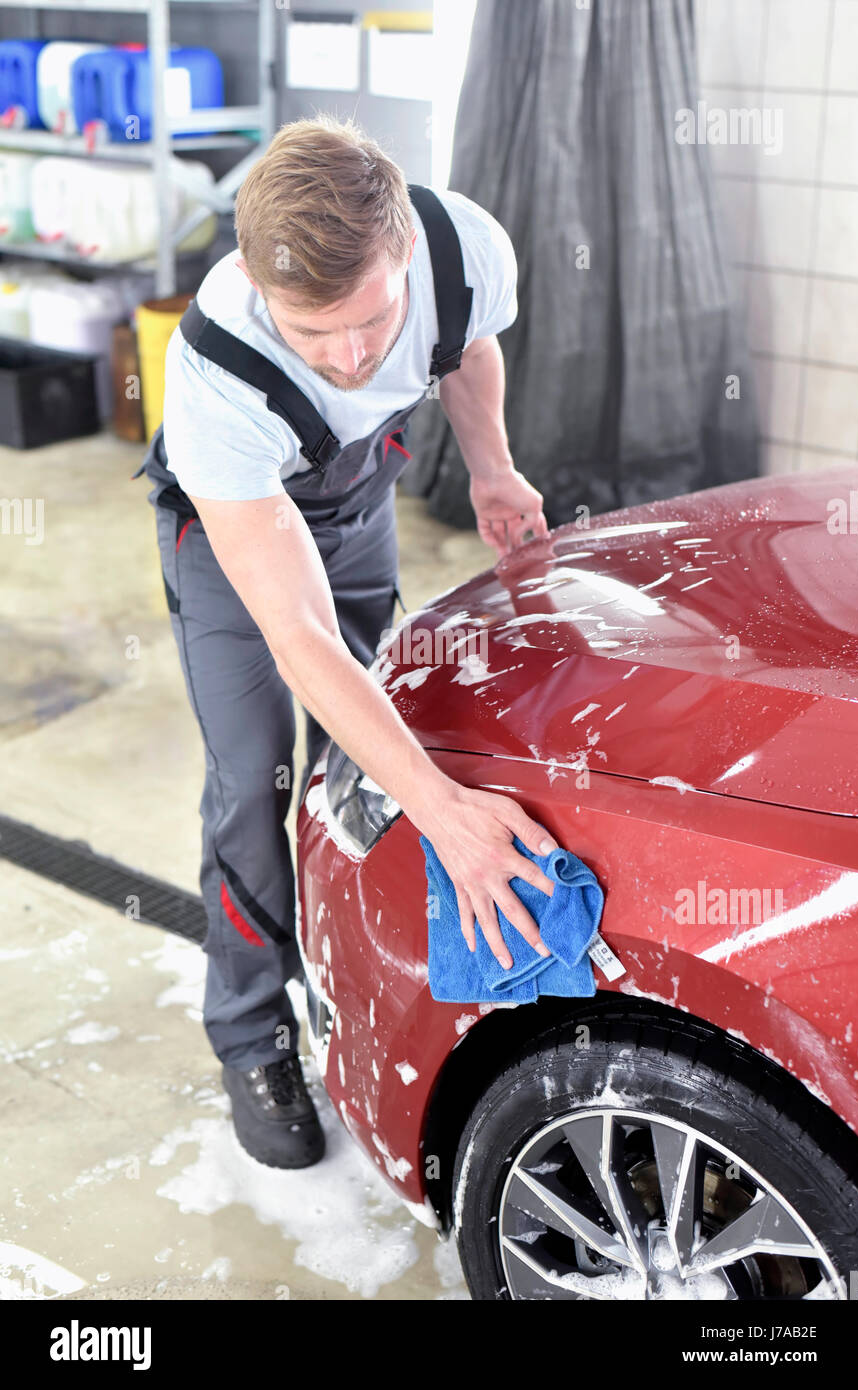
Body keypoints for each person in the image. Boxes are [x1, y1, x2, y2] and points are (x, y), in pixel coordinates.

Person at [135, 114, 560, 1171]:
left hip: (360, 493)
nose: (351, 353)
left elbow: (462, 349)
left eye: (369, 319)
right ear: (253, 275)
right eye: (311, 332)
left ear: (404, 248)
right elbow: (300, 635)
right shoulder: (218, 372)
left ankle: (351, 980)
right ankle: (251, 1032)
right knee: (254, 772)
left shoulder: (463, 250)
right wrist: (449, 816)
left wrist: (494, 470)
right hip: (233, 526)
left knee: (362, 760)